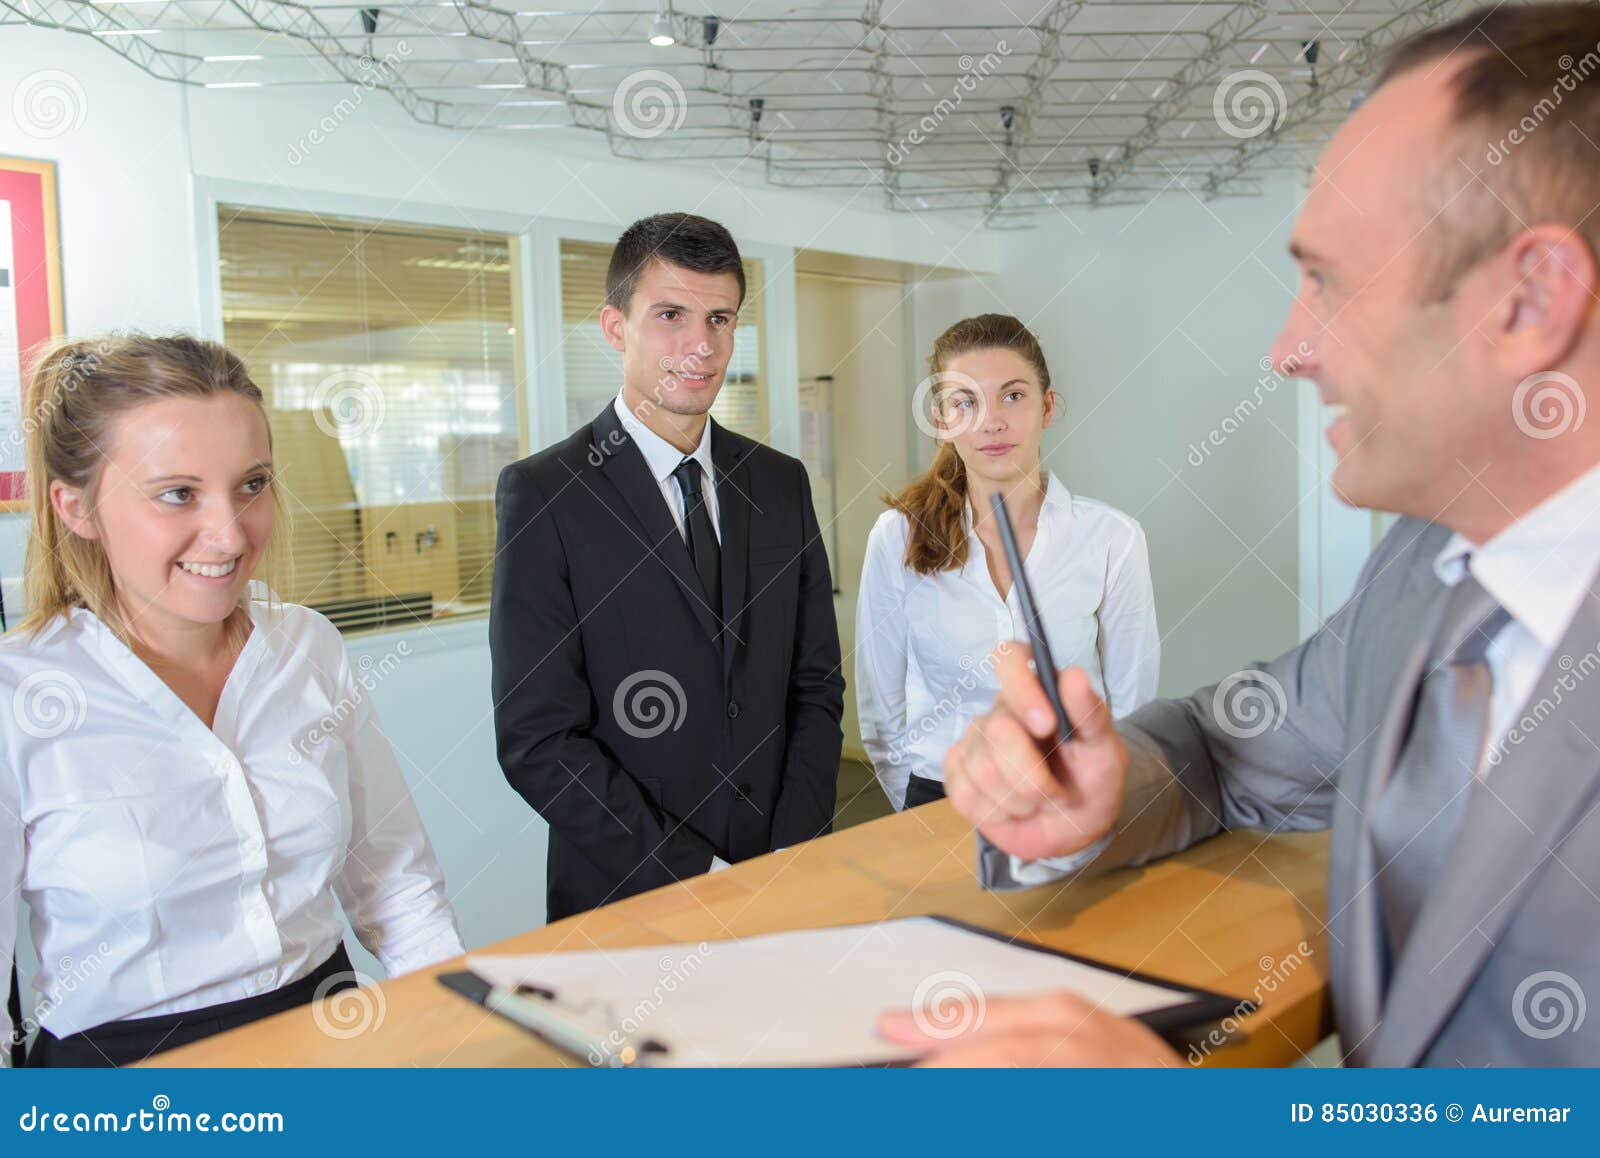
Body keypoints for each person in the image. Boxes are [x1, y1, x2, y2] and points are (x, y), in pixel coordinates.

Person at [883, 3, 1600, 1067]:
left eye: (1328, 283)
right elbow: (1225, 748)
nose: (1287, 349)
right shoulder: (1422, 567)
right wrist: (1099, 785)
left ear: (1530, 299)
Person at [0, 335, 463, 1067]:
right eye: (177, 493)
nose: (230, 532)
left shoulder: (307, 647)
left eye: (251, 484)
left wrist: (460, 1042)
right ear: (76, 507)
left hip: (333, 1041)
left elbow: (397, 886)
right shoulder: (19, 696)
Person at [491, 212, 844, 922]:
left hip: (782, 881)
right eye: (671, 314)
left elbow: (816, 686)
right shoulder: (547, 494)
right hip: (629, 898)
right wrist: (700, 876)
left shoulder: (778, 483)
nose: (701, 345)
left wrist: (789, 854)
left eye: (720, 318)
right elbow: (539, 738)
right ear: (616, 327)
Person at [856, 314, 1158, 810]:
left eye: (1013, 396)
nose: (991, 421)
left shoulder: (1112, 540)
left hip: (1072, 793)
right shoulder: (898, 538)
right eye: (966, 402)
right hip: (939, 800)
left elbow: (1133, 705)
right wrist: (913, 815)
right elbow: (881, 709)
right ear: (943, 418)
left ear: (1048, 407)